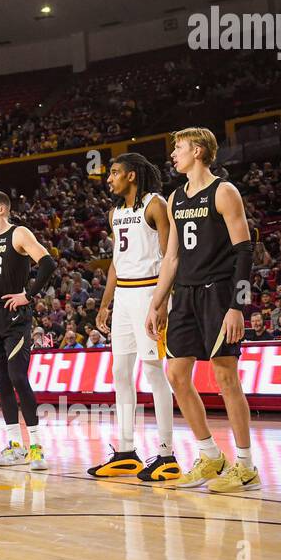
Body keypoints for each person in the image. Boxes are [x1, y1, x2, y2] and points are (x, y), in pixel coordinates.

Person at [146, 127, 260, 493]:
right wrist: (157, 302)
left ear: (197, 151)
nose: (173, 155)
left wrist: (237, 307)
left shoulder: (224, 192)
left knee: (226, 377)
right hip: (186, 295)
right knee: (176, 374)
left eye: (178, 148)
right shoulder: (176, 197)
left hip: (219, 293)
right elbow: (172, 256)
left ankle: (245, 465)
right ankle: (210, 454)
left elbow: (245, 250)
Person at [90, 153, 179, 482]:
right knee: (120, 371)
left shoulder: (155, 204)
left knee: (154, 371)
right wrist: (104, 303)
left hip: (148, 294)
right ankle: (127, 451)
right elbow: (115, 262)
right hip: (124, 296)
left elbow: (172, 255)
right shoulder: (115, 213)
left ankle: (167, 454)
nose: (109, 178)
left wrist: (161, 302)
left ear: (131, 175)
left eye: (114, 173)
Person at [0, 190, 56, 469]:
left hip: (15, 316)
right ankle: (14, 446)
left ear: (3, 209)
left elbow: (47, 262)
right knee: (2, 382)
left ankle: (36, 446)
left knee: (18, 376)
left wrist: (28, 295)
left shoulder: (18, 233)